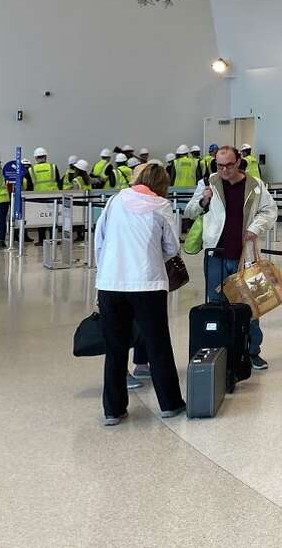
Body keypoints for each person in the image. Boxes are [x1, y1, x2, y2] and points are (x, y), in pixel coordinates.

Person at [93, 162, 185, 426]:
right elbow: (172, 246)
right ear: (162, 185)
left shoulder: (114, 201)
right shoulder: (161, 206)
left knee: (115, 349)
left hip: (111, 283)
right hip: (148, 284)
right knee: (158, 345)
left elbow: (99, 239)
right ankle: (169, 404)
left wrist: (105, 273)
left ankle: (113, 410)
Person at [184, 145, 277, 371]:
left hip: (245, 255)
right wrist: (203, 201)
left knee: (250, 305)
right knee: (215, 304)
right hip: (216, 254)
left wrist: (256, 227)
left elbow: (269, 211)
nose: (224, 170)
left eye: (228, 165)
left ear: (238, 163)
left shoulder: (255, 186)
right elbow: (189, 211)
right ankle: (217, 350)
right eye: (219, 165)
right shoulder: (208, 183)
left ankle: (252, 351)